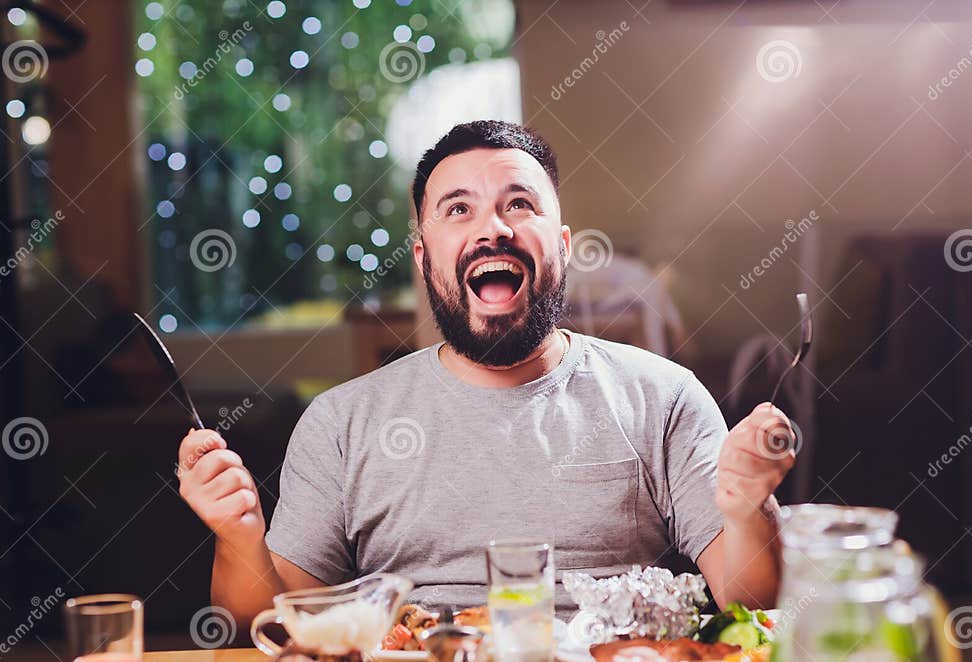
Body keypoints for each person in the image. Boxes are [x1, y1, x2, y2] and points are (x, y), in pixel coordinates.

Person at [177, 120, 796, 629]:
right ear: (424, 258)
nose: (493, 228)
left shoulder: (664, 397)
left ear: (562, 245)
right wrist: (238, 538)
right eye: (458, 209)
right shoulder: (340, 422)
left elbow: (755, 602)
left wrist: (750, 508)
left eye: (518, 204)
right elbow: (264, 626)